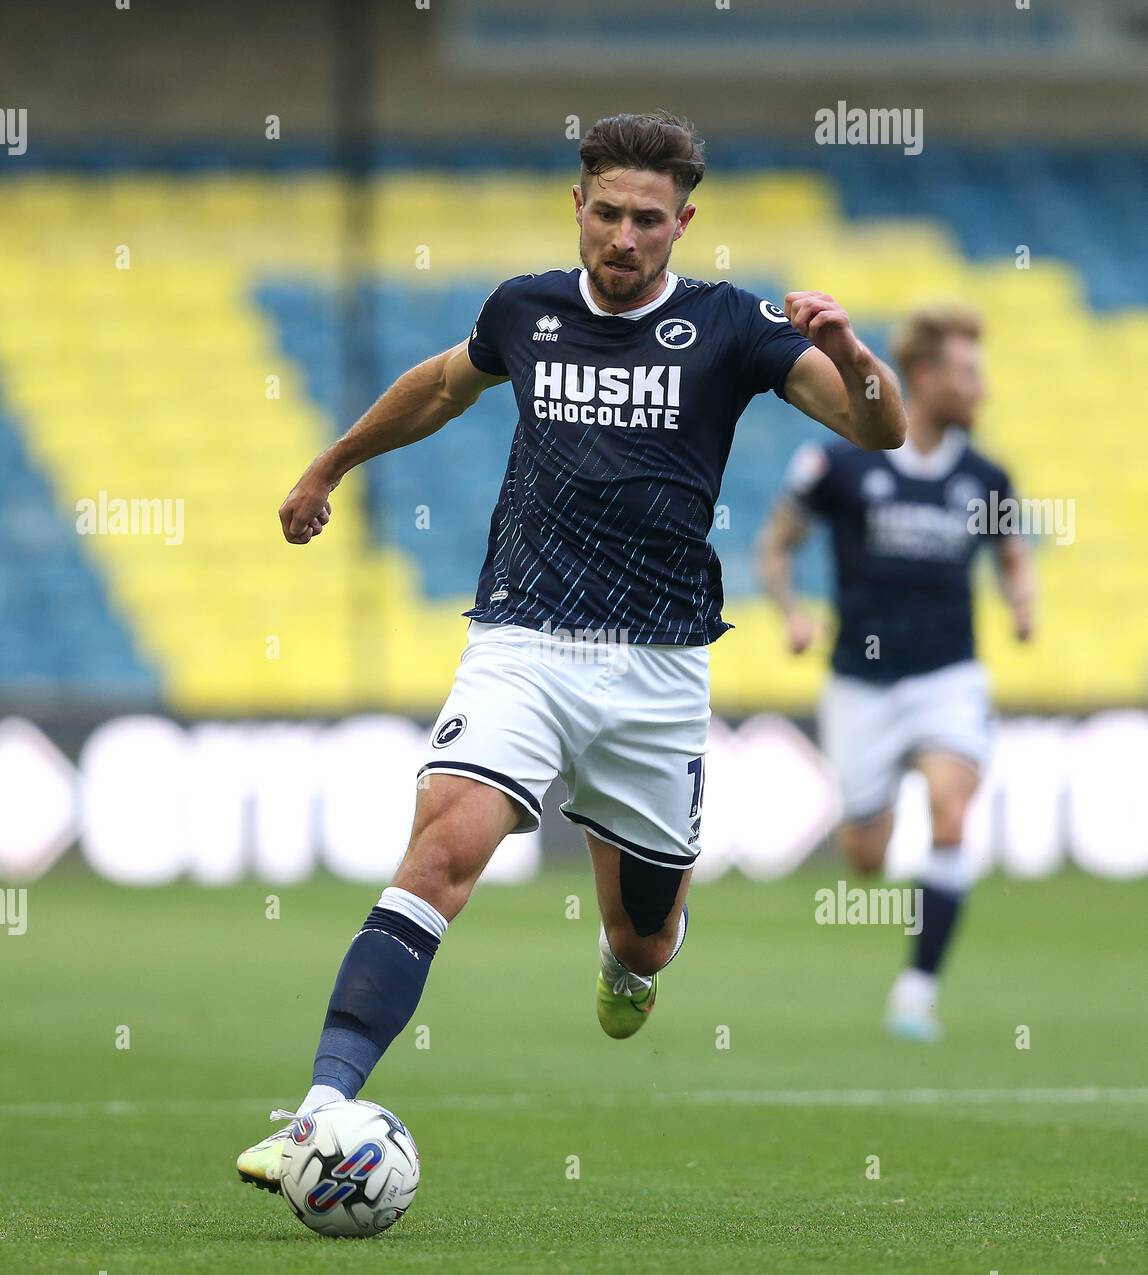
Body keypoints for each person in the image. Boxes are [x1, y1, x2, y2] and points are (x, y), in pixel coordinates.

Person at [238, 110, 905, 1191]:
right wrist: (330, 465)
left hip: (655, 671)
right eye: (607, 214)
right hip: (522, 643)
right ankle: (319, 1107)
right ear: (577, 206)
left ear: (683, 222)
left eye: (649, 219)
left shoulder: (731, 326)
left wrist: (851, 352)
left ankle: (627, 967)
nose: (625, 237)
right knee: (440, 855)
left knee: (643, 939)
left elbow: (879, 431)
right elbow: (445, 384)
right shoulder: (527, 308)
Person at [759, 305, 1034, 1039]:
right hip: (860, 683)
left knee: (951, 813)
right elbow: (778, 543)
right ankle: (877, 821)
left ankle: (917, 991)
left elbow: (1010, 552)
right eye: (968, 372)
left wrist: (1021, 601)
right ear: (924, 376)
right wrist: (790, 611)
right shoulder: (842, 462)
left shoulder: (986, 477)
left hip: (949, 676)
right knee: (867, 859)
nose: (980, 387)